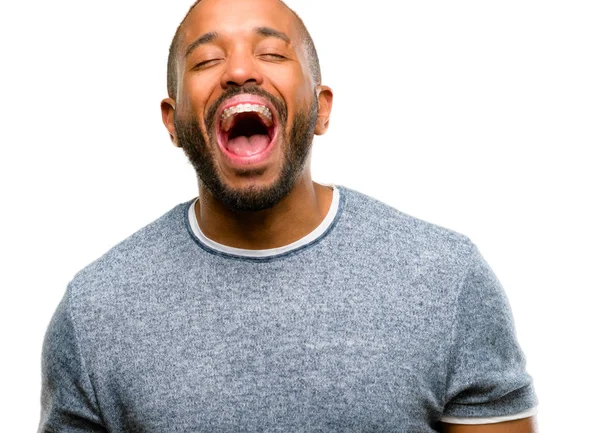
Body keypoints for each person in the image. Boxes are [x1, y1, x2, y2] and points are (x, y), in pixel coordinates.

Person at [38, 0, 538, 431]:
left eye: (273, 52)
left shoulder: (447, 279)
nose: (238, 71)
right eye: (207, 59)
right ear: (174, 123)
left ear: (321, 109)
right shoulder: (95, 313)